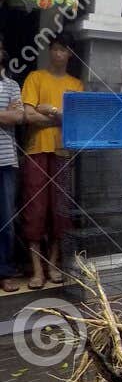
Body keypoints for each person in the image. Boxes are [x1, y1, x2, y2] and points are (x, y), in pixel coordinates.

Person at [20, 37, 83, 288]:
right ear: (50, 52)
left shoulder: (76, 84)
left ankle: (54, 265)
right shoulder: (35, 77)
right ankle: (37, 270)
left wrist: (49, 110)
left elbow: (77, 119)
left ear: (70, 54)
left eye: (64, 50)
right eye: (55, 49)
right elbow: (28, 115)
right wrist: (58, 117)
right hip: (36, 150)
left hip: (63, 152)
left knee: (60, 212)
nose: (59, 53)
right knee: (35, 210)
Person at [0, 46, 25, 293]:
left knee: (6, 220)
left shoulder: (12, 86)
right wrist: (4, 114)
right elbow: (9, 115)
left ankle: (5, 272)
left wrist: (11, 114)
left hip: (6, 161)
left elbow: (18, 117)